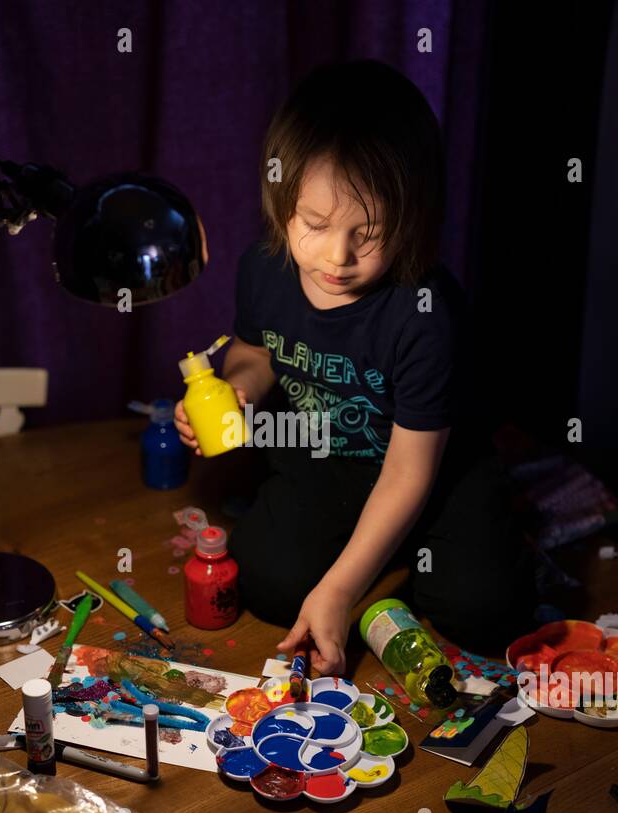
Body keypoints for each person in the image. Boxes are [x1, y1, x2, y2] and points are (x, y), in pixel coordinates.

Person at [175, 60, 533, 674]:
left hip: (430, 469)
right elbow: (254, 351)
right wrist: (239, 390)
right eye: (314, 226)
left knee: (487, 611)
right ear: (281, 201)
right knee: (266, 583)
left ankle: (389, 568)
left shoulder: (426, 311)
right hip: (325, 457)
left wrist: (340, 591)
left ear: (411, 218)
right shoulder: (264, 267)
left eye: (367, 235)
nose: (337, 258)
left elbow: (407, 473)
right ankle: (380, 565)